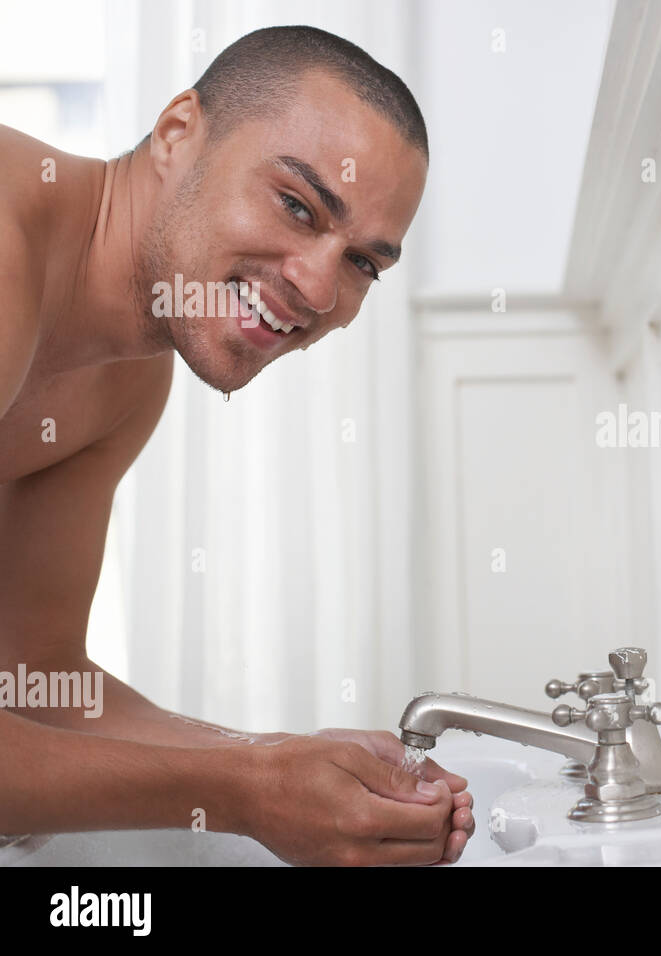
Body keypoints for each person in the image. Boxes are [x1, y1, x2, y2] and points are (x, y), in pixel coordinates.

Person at [0, 25, 474, 865]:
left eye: (363, 262)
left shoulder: (128, 384)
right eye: (297, 204)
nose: (319, 287)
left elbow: (37, 684)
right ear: (179, 132)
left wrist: (282, 760)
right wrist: (243, 792)